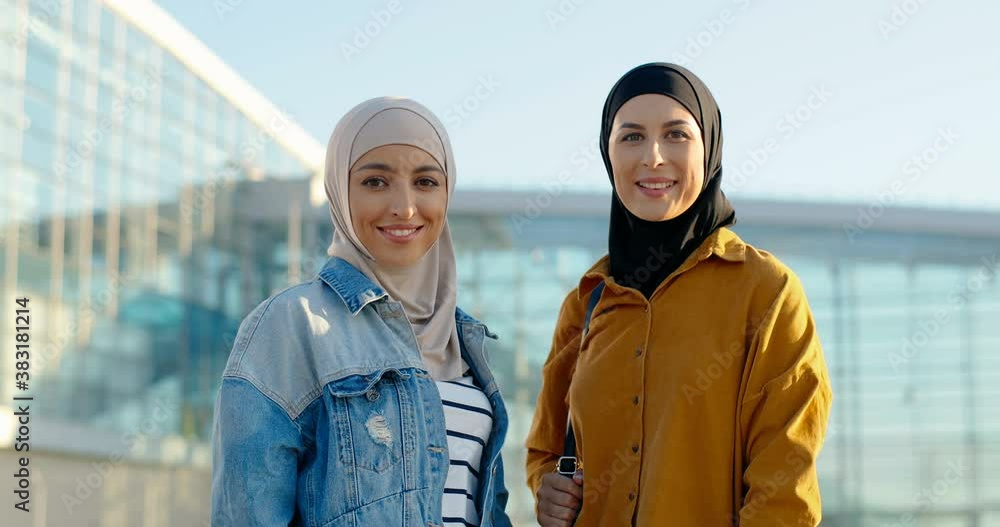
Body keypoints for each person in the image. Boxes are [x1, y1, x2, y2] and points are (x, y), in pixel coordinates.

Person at [525, 63, 833, 526]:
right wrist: (548, 486)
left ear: (708, 149)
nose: (652, 157)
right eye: (630, 137)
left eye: (676, 135)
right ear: (608, 155)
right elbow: (547, 449)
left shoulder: (766, 292)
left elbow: (784, 492)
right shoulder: (587, 303)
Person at [212, 96, 512, 527]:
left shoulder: (467, 343)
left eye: (426, 182)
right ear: (339, 190)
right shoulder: (291, 327)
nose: (404, 206)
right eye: (376, 182)